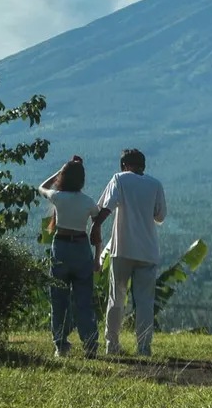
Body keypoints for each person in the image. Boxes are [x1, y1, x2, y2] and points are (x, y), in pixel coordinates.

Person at [97, 148, 167, 357]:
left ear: (124, 165)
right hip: (147, 251)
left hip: (123, 249)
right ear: (143, 165)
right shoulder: (155, 184)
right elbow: (160, 216)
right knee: (145, 302)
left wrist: (95, 228)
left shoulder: (119, 179)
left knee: (116, 298)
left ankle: (112, 344)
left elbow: (105, 207)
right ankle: (144, 347)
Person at [39, 155, 105, 358]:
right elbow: (96, 231)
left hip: (61, 247)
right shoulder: (88, 202)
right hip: (81, 247)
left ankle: (60, 344)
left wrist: (59, 171)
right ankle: (90, 344)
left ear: (63, 178)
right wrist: (96, 258)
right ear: (82, 180)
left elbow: (41, 187)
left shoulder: (58, 197)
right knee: (84, 300)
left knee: (58, 299)